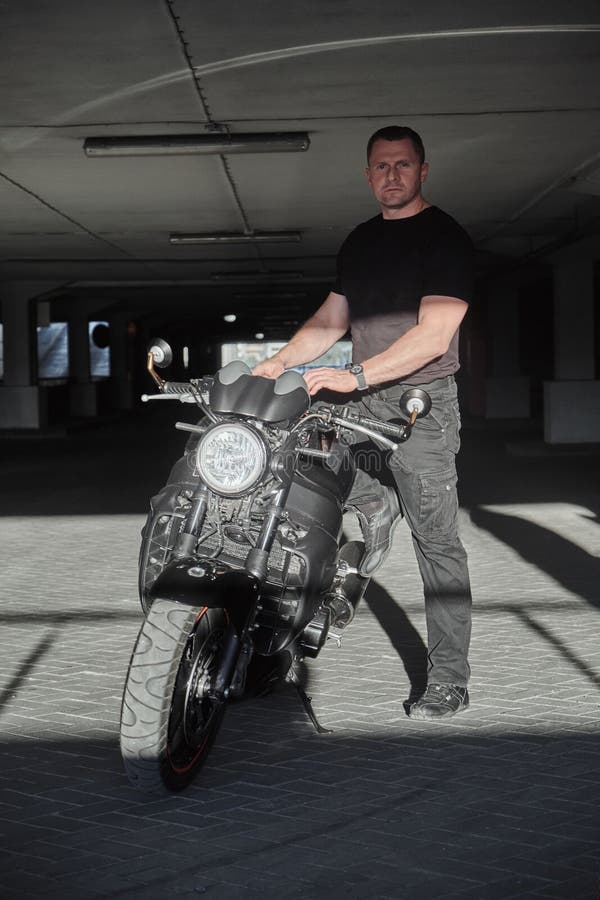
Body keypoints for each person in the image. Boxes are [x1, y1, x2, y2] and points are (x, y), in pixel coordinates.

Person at [253, 126, 473, 720]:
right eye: (381, 166)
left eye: (403, 165)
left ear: (423, 171)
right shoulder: (360, 241)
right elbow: (332, 320)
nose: (392, 175)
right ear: (368, 174)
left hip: (419, 409)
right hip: (365, 407)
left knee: (437, 543)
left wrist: (356, 376)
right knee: (345, 511)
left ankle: (449, 678)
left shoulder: (445, 238)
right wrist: (276, 360)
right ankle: (332, 600)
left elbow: (434, 335)